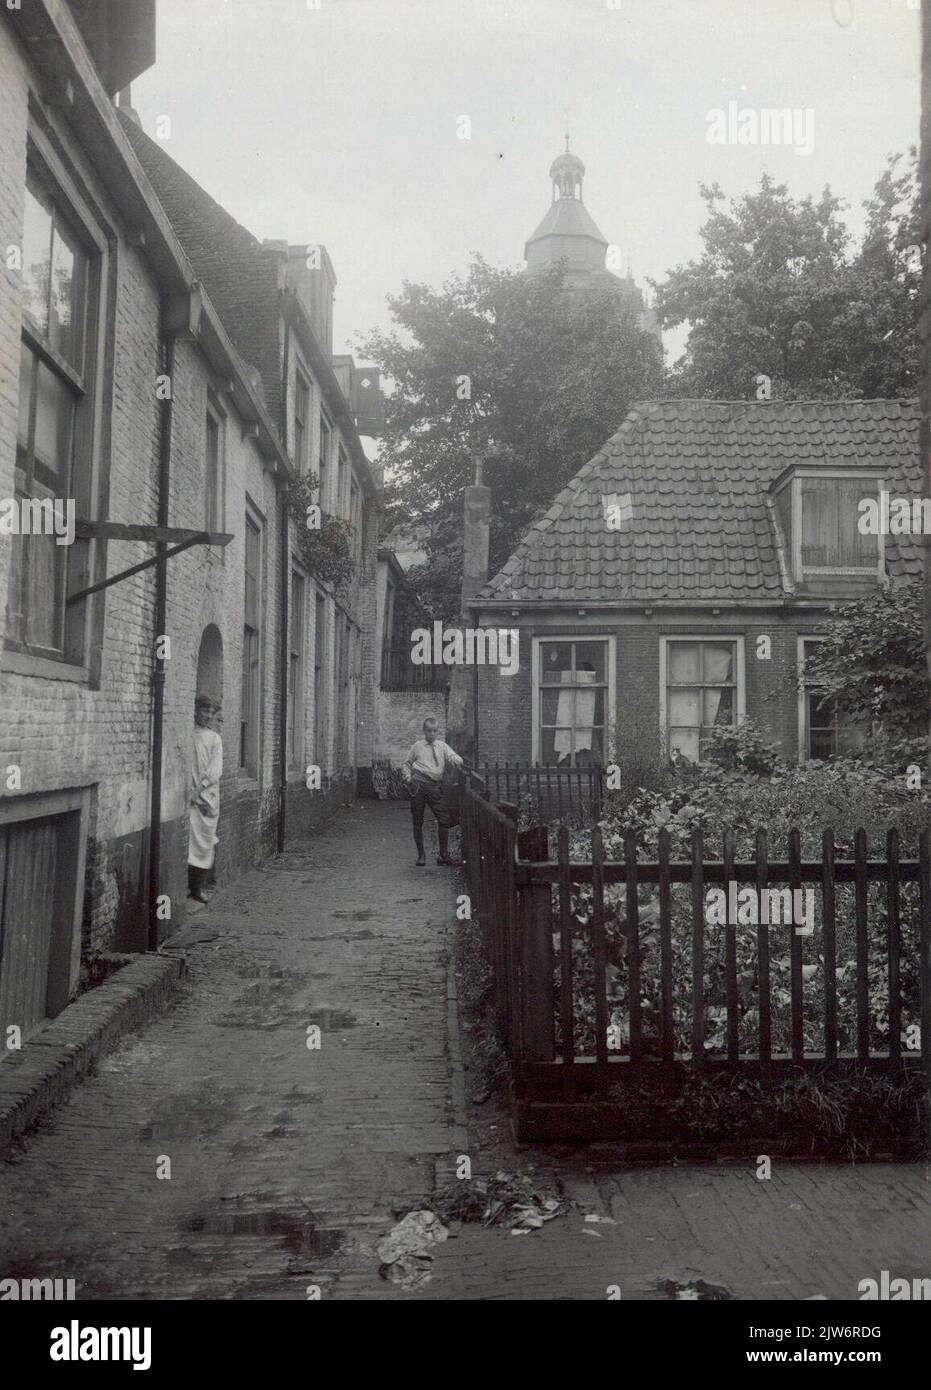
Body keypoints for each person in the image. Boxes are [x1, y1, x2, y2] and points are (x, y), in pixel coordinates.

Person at [402, 717, 463, 866]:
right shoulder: (417, 746)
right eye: (429, 730)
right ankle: (421, 855)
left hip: (434, 786)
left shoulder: (442, 746)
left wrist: (457, 759)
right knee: (418, 821)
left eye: (435, 731)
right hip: (418, 784)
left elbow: (452, 756)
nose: (432, 734)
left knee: (444, 819)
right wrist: (408, 777)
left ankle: (443, 855)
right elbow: (407, 763)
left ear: (437, 731)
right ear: (424, 731)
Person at [188, 694, 222, 903]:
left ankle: (197, 888)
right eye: (204, 710)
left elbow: (214, 771)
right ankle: (185, 885)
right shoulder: (188, 733)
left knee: (204, 842)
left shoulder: (214, 739)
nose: (207, 715)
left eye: (211, 712)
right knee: (188, 843)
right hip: (187, 795)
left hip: (206, 797)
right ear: (195, 710)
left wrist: (199, 789)